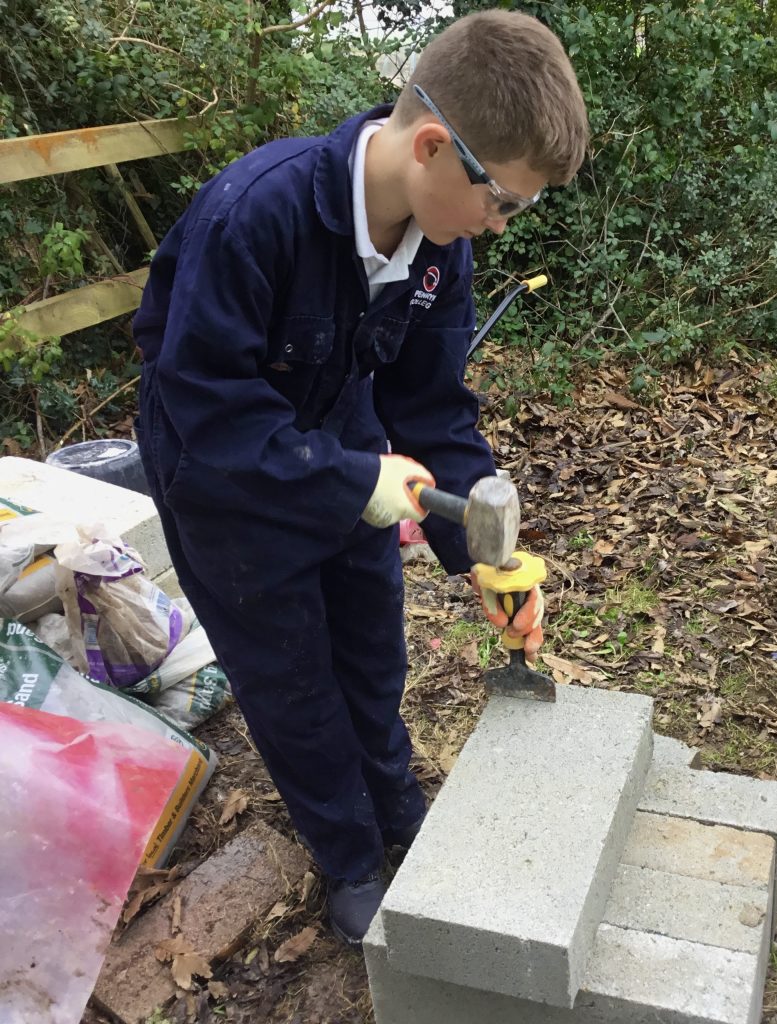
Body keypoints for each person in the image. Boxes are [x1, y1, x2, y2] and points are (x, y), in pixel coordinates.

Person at [133, 8, 589, 947]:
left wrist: (486, 558)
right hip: (222, 475)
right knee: (292, 683)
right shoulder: (254, 214)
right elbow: (209, 409)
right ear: (433, 146)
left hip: (346, 450)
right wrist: (347, 482)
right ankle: (346, 856)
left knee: (370, 657)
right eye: (504, 200)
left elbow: (431, 406)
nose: (500, 227)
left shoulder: (436, 247)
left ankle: (399, 817)